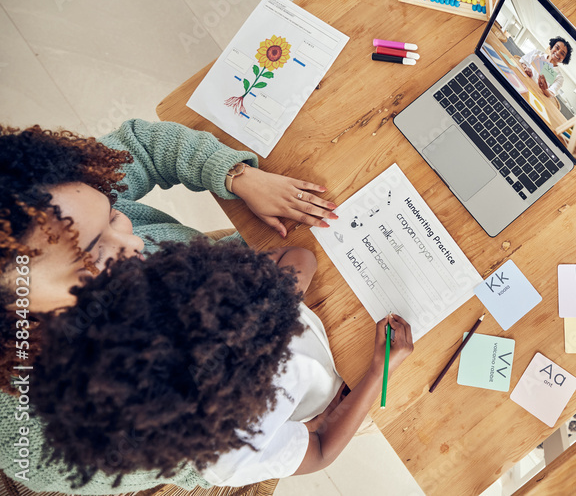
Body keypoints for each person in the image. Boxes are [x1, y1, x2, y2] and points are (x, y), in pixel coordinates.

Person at [0, 120, 339, 493]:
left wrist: (237, 176)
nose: (135, 245)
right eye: (95, 253)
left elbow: (142, 146)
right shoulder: (52, 437)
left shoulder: (62, 204)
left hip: (235, 284)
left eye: (113, 213)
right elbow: (212, 456)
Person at [29, 239, 414, 490]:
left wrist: (273, 299)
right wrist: (379, 371)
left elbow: (300, 257)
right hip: (327, 397)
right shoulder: (227, 454)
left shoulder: (222, 295)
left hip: (318, 323)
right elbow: (321, 450)